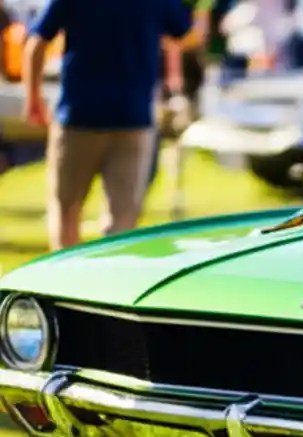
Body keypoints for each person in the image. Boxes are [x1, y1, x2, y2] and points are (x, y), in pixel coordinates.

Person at [22, 0, 193, 251]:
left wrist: (33, 98)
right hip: (132, 117)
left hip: (79, 114)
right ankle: (110, 282)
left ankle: (64, 280)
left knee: (66, 209)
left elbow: (37, 43)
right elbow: (186, 35)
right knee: (123, 218)